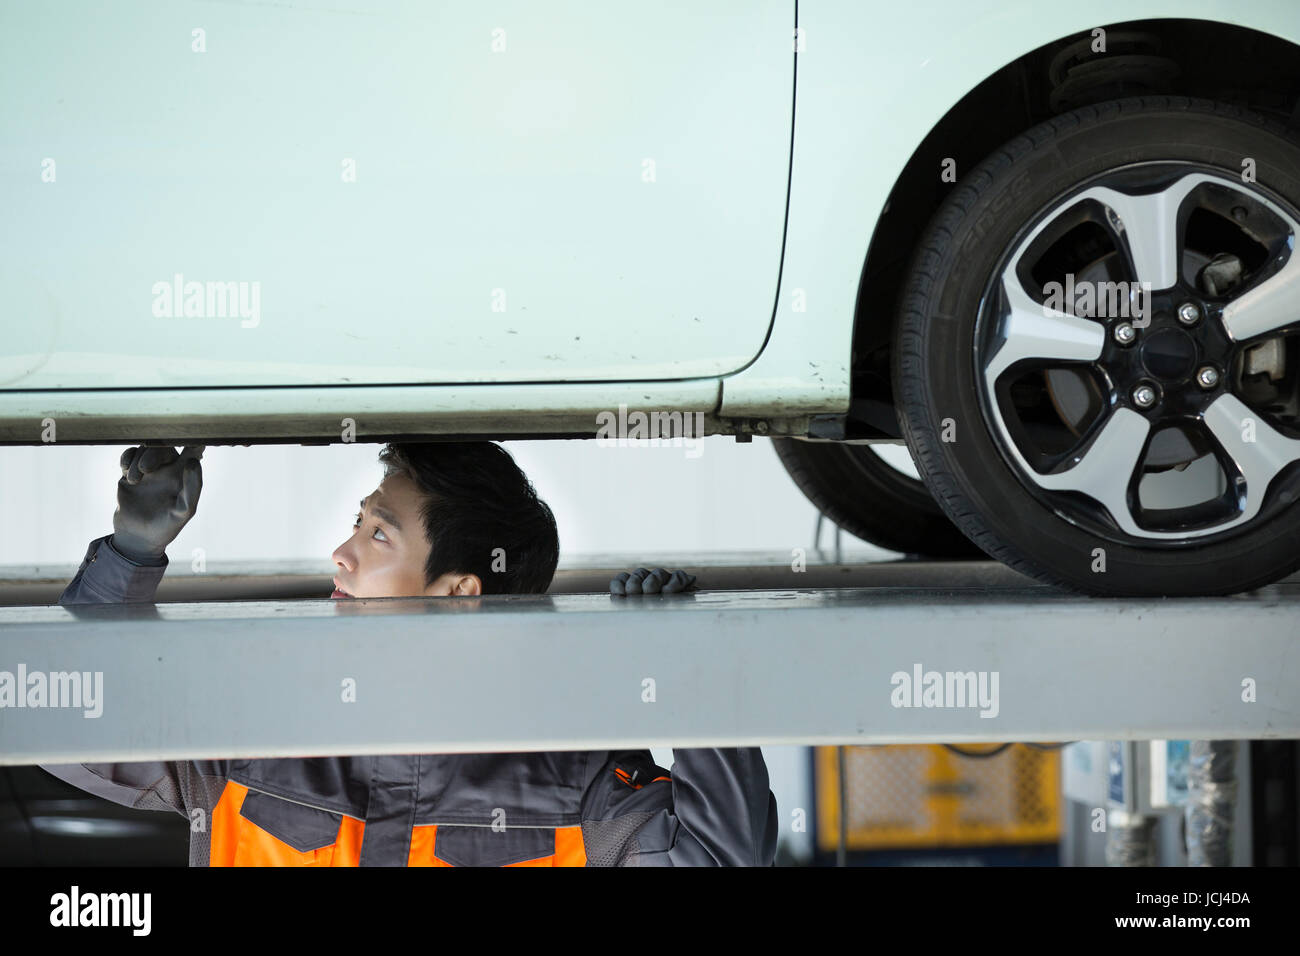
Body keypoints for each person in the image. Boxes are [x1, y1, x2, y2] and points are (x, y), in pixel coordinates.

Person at [41, 442, 779, 866]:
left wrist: (693, 669)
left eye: (378, 536)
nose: (340, 554)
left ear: (459, 591)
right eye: (355, 526)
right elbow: (62, 726)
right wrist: (129, 554)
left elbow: (721, 858)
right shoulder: (257, 741)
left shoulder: (575, 782)